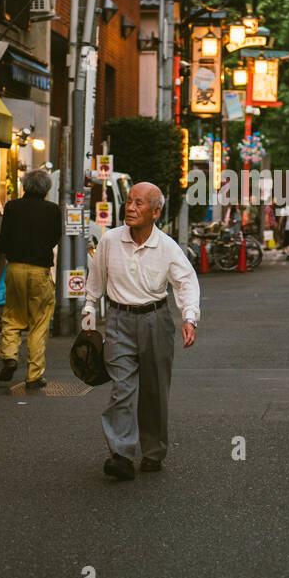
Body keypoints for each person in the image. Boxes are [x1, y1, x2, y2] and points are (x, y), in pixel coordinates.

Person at [83, 182, 200, 481]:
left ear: (155, 212)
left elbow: (185, 281)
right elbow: (96, 277)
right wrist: (88, 307)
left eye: (139, 203)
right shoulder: (110, 240)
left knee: (154, 389)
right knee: (122, 387)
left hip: (156, 320)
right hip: (119, 320)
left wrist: (189, 317)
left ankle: (153, 451)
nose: (131, 208)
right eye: (129, 202)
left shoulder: (167, 247)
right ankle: (121, 454)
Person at [0, 169, 62, 387]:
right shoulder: (52, 210)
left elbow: (2, 239)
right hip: (39, 269)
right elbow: (54, 237)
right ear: (46, 189)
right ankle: (34, 375)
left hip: (14, 268)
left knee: (12, 316)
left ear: (24, 186)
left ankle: (10, 356)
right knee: (39, 322)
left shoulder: (12, 207)